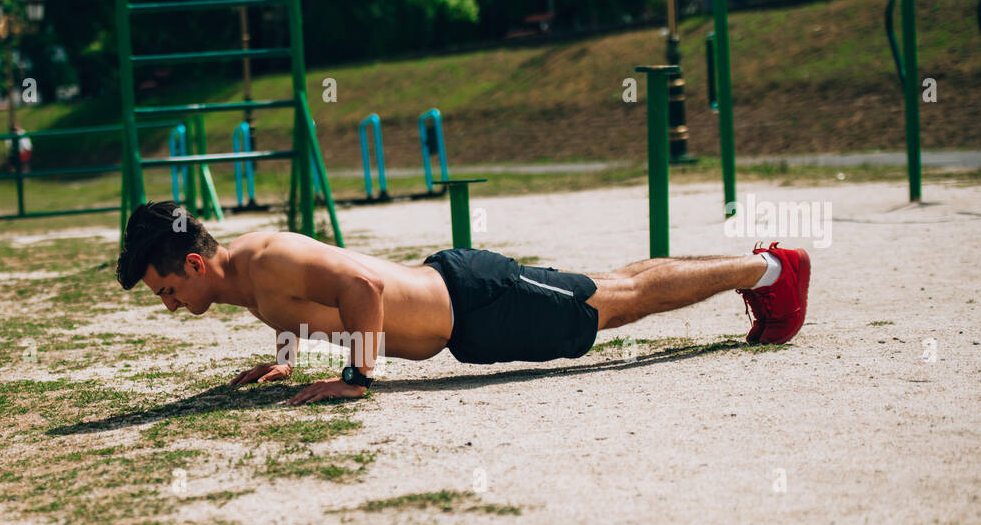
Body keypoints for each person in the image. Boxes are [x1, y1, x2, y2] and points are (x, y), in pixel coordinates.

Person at [115, 201, 810, 405]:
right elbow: (305, 305)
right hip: (467, 323)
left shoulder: (267, 260)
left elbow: (363, 290)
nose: (172, 305)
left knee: (620, 299)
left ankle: (768, 270)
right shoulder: (244, 276)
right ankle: (762, 272)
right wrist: (285, 361)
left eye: (169, 290)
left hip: (475, 300)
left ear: (195, 263)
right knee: (614, 285)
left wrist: (357, 378)